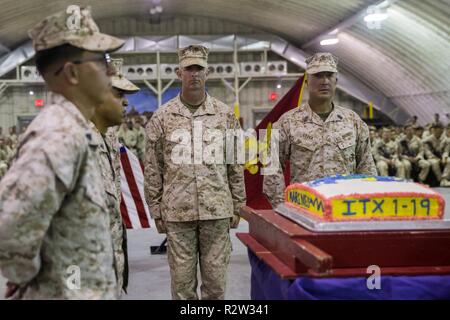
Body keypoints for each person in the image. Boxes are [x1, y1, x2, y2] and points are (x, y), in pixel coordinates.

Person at [0, 6, 124, 299]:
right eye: (102, 60)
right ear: (71, 72)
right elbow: (9, 231)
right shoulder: (58, 136)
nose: (112, 70)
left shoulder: (76, 130)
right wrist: (40, 281)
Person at [144, 44, 245, 300]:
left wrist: (238, 205)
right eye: (189, 68)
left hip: (217, 211)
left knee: (216, 285)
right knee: (181, 288)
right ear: (179, 73)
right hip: (178, 214)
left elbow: (235, 163)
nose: (194, 74)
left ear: (207, 72)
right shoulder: (162, 117)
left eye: (199, 68)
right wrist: (155, 210)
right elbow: (153, 166)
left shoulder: (224, 116)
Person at [263, 52, 377, 207]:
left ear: (336, 81)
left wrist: (364, 205)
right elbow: (271, 169)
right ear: (306, 82)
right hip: (303, 209)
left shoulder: (353, 121)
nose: (324, 81)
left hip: (345, 208)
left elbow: (367, 168)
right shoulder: (286, 122)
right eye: (317, 76)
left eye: (329, 75)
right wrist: (283, 208)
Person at [90, 58, 140, 297]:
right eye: (118, 94)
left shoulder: (107, 134)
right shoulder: (70, 140)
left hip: (111, 258)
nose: (126, 102)